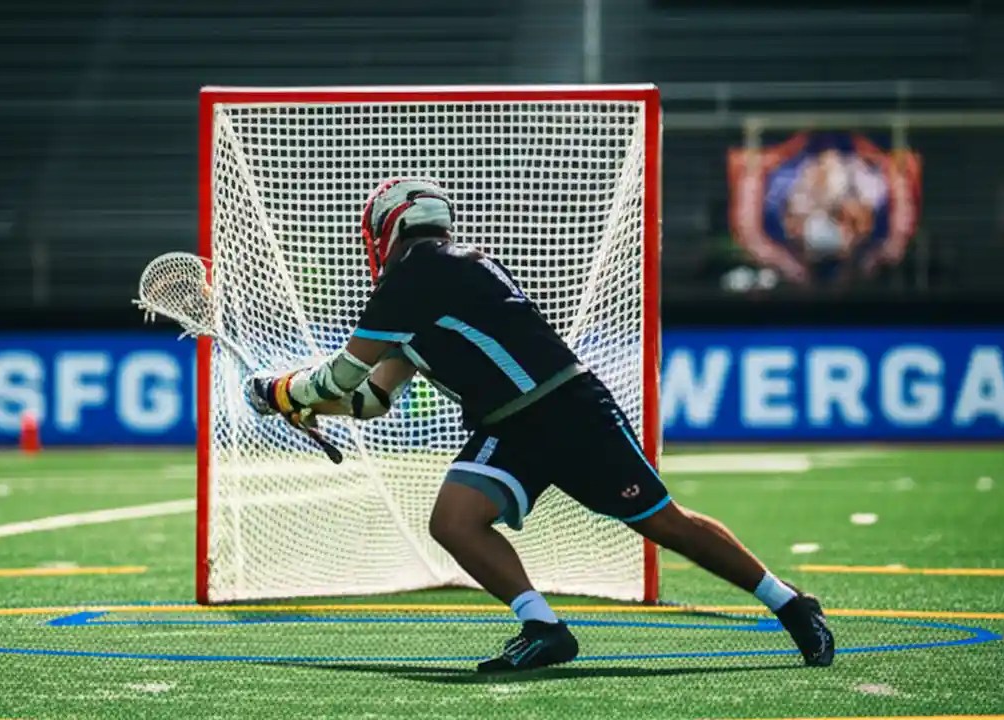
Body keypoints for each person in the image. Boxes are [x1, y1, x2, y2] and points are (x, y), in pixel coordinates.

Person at [248, 179, 834, 673]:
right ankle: (544, 628)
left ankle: (789, 603)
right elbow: (373, 397)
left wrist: (275, 393)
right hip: (510, 424)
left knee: (663, 523)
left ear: (387, 230)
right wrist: (305, 402)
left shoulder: (417, 278)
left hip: (564, 409)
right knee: (454, 521)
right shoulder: (433, 280)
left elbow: (341, 377)